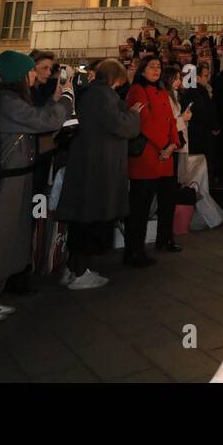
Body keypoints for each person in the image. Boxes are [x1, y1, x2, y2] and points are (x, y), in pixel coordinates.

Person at [0, 51, 73, 321]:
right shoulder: (8, 101)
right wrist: (67, 99)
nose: (35, 75)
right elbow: (45, 121)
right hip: (7, 180)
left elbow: (36, 120)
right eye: (31, 71)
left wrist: (55, 100)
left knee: (6, 237)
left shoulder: (10, 100)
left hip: (16, 177)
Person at [57, 59, 142, 281]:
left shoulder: (94, 93)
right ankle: (80, 271)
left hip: (89, 162)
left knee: (84, 219)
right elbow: (119, 125)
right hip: (98, 166)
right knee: (91, 219)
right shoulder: (102, 95)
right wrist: (133, 114)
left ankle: (74, 268)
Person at [124, 56, 180, 265]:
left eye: (159, 67)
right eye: (152, 66)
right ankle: (133, 251)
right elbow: (144, 122)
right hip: (147, 156)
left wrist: (174, 143)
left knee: (156, 203)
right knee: (139, 208)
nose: (156, 70)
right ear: (142, 70)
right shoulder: (138, 90)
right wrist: (163, 146)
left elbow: (171, 120)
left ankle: (148, 247)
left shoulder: (163, 91)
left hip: (164, 157)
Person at [181, 62, 223, 230]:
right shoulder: (197, 93)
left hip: (199, 137)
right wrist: (214, 127)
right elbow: (204, 114)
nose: (208, 78)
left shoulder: (196, 92)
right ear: (197, 77)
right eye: (206, 75)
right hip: (200, 138)